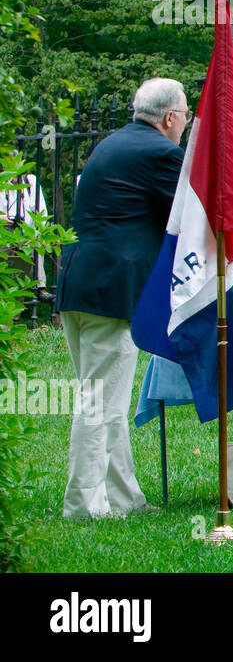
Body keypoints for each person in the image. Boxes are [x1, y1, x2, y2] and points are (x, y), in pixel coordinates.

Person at [55, 77, 188, 519]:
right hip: (111, 292)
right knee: (99, 401)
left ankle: (124, 499)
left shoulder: (113, 144)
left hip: (81, 285)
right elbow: (191, 215)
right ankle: (83, 505)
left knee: (107, 401)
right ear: (169, 117)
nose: (185, 123)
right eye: (185, 115)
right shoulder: (161, 152)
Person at [2, 166, 53, 300]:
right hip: (6, 231)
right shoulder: (2, 184)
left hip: (28, 231)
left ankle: (40, 287)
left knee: (37, 245)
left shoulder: (31, 182)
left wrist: (36, 233)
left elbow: (41, 212)